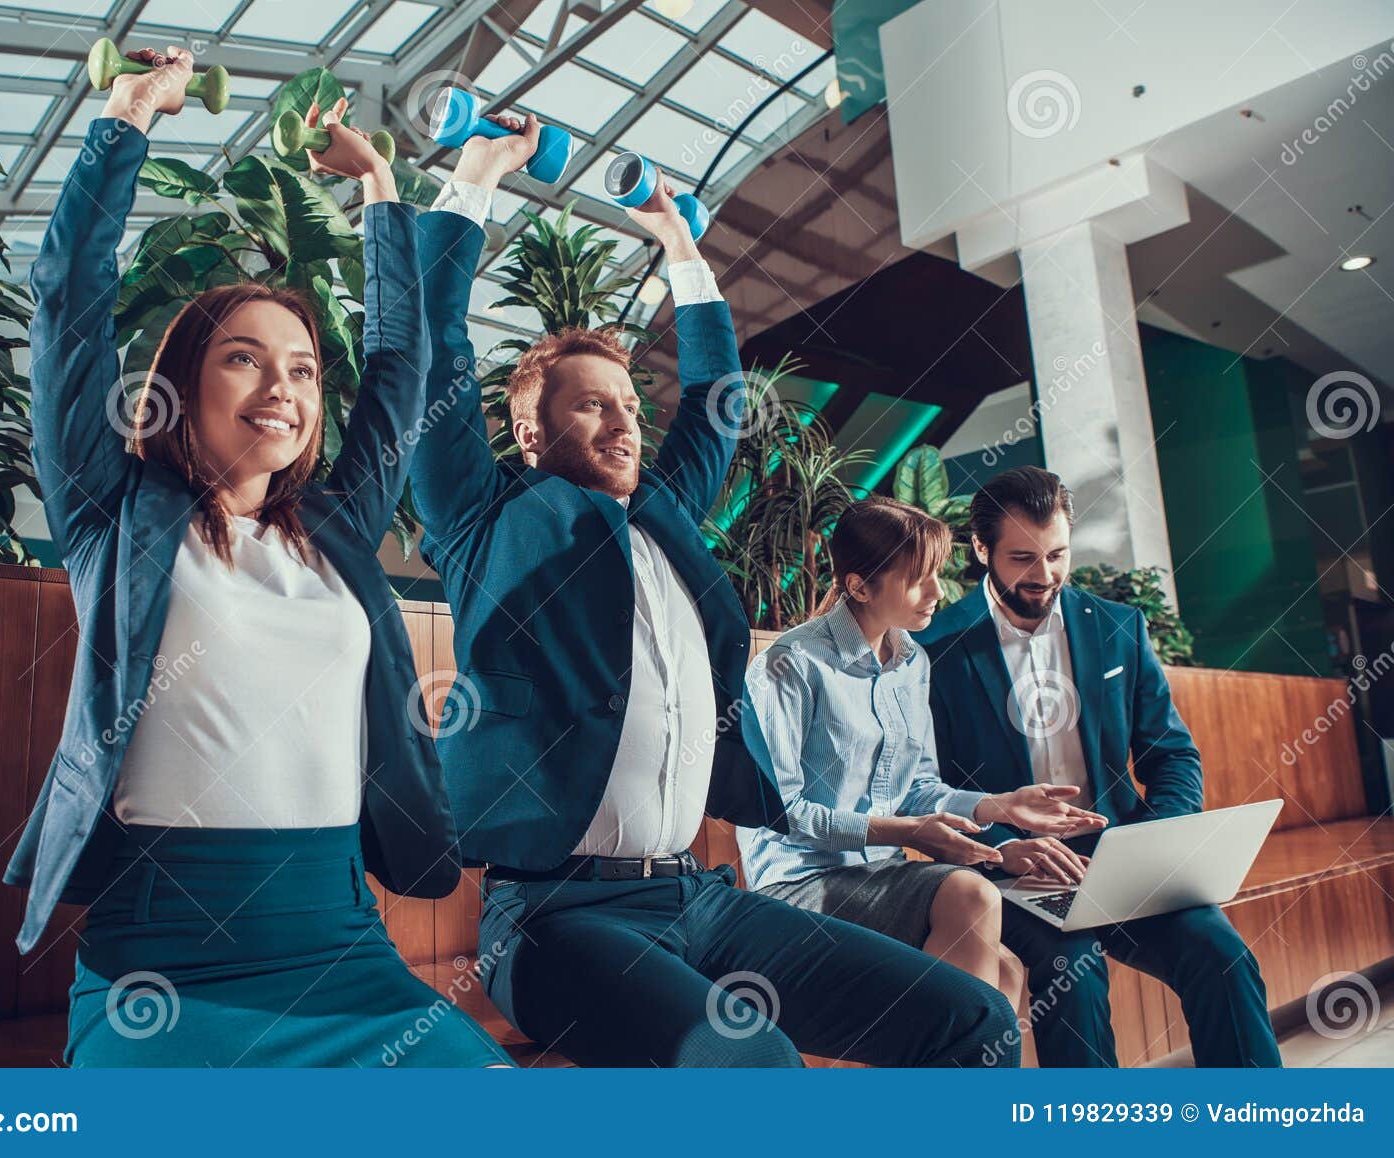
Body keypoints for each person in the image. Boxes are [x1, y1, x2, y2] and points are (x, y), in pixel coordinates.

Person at [408, 113, 1019, 1067]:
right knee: (754, 1066)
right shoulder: (486, 520)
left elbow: (715, 401)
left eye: (626, 403)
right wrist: (480, 170)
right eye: (590, 404)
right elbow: (431, 348)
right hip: (554, 917)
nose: (623, 422)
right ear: (531, 435)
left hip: (694, 894)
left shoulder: (664, 516)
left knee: (972, 1020)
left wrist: (679, 242)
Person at [3, 47, 510, 1068]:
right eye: (244, 357)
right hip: (164, 966)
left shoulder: (335, 527)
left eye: (303, 368)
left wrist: (376, 187)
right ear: (181, 384)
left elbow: (403, 370)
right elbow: (68, 304)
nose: (282, 385)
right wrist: (131, 117)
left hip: (341, 950)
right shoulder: (115, 510)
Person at [915, 465, 1281, 1067]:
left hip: (1126, 855)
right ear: (980, 550)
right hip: (1010, 870)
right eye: (1022, 558)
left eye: (1057, 554)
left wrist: (1150, 842)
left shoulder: (1118, 629)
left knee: (1224, 956)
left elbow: (1172, 756)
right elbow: (928, 788)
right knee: (1072, 974)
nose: (1044, 575)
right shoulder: (935, 651)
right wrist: (1004, 849)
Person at [737, 496, 1104, 1012]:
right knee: (972, 897)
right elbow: (780, 812)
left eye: (938, 574)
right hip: (798, 881)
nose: (938, 592)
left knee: (1004, 973)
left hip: (879, 876)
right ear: (859, 586)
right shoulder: (789, 665)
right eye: (919, 578)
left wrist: (1001, 805)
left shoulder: (912, 661)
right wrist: (907, 833)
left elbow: (917, 789)